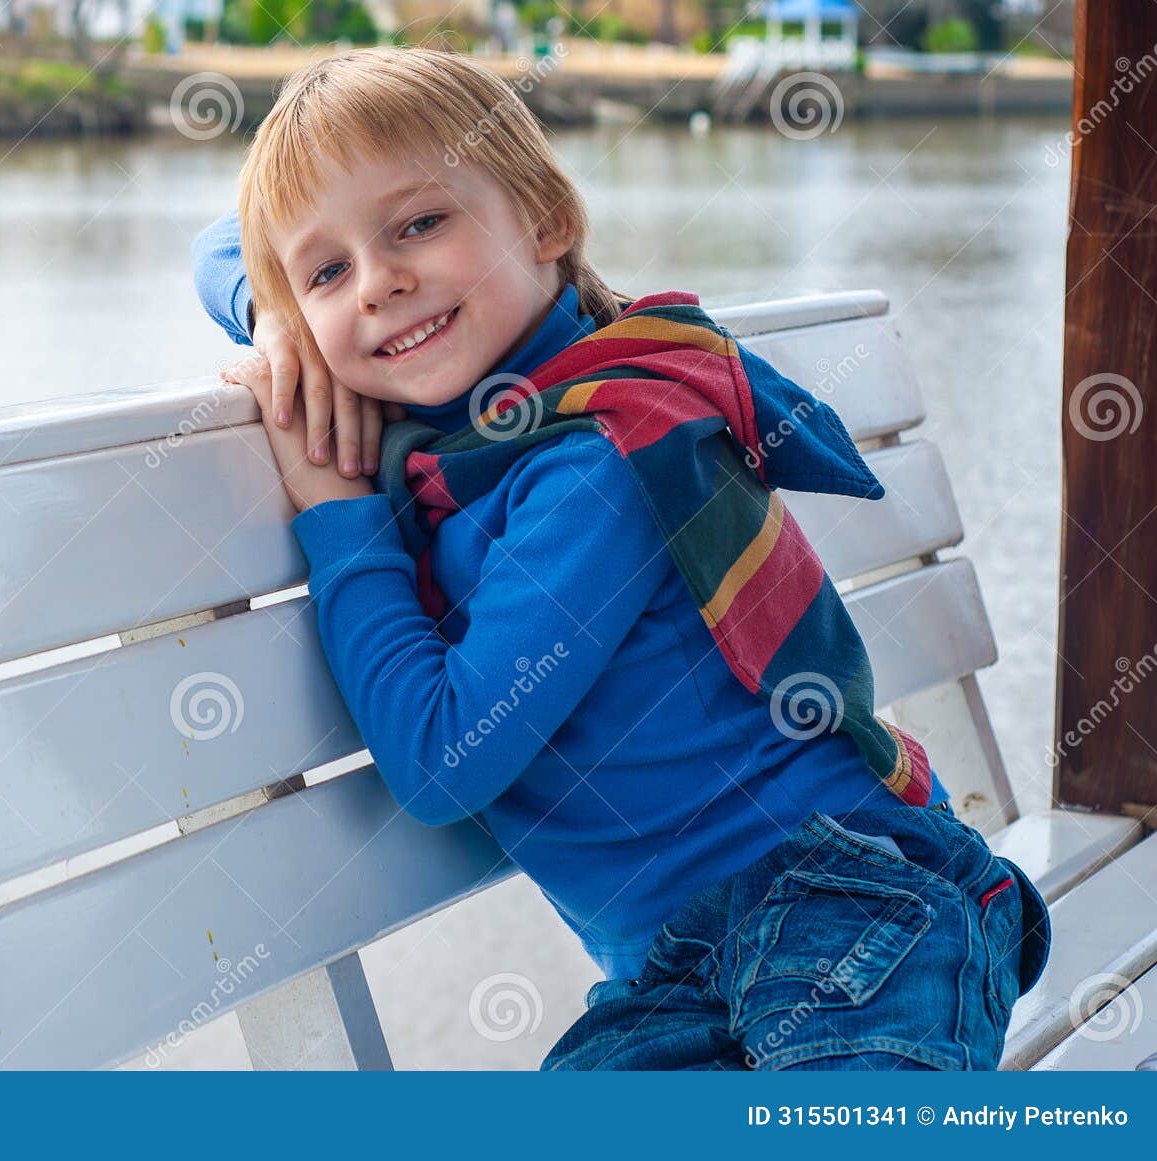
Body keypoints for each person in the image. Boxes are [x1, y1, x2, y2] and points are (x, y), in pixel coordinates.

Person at [190, 45, 1049, 1070]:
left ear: (547, 221)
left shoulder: (601, 456)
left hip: (847, 899)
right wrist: (275, 320)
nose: (378, 282)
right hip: (669, 973)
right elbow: (219, 246)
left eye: (420, 224)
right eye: (328, 271)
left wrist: (336, 509)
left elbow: (443, 761)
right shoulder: (490, 428)